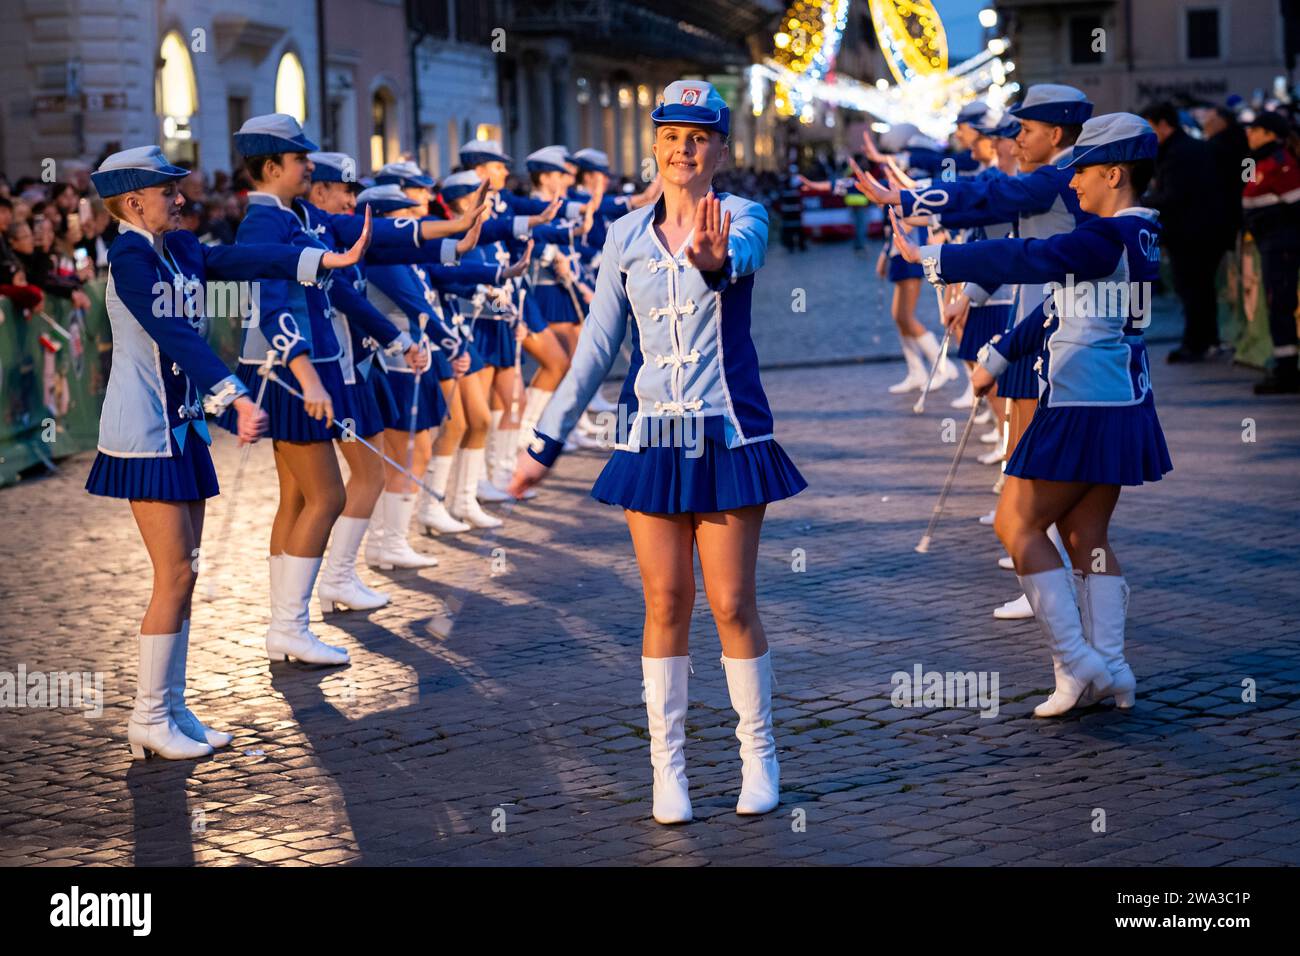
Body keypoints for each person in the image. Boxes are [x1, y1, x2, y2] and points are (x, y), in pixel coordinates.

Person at [511, 81, 807, 824]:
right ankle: (667, 769)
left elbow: (737, 260)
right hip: (652, 437)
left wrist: (711, 262)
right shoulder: (622, 235)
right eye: (672, 134)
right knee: (665, 600)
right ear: (654, 144)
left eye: (700, 136)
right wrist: (544, 440)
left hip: (728, 431)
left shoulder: (743, 215)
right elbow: (598, 352)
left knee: (733, 602)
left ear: (722, 149)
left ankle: (757, 755)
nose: (684, 148)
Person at [83, 145, 369, 759]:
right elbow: (176, 336)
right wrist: (234, 395)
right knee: (175, 573)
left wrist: (320, 259)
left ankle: (173, 709)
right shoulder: (129, 259)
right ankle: (148, 717)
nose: (181, 199)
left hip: (182, 426)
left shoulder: (179, 246)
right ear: (133, 202)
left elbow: (237, 258)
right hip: (145, 432)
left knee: (188, 569)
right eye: (167, 192)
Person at [894, 112, 1172, 716]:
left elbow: (1031, 258)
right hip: (1121, 402)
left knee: (1015, 527)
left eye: (1083, 173)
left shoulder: (1104, 237)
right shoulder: (1138, 235)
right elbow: (1058, 303)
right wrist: (998, 353)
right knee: (1086, 536)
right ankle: (1114, 667)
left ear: (1115, 174)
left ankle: (1078, 662)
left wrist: (936, 259)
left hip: (1080, 405)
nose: (1072, 184)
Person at [221, 114, 484, 664]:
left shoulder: (300, 215)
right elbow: (271, 308)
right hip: (293, 373)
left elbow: (383, 238)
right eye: (299, 160)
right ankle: (290, 624)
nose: (309, 166)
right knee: (326, 495)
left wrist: (451, 228)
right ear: (272, 167)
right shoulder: (263, 224)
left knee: (299, 497)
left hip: (307, 368)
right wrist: (309, 376)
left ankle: (286, 622)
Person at [1140, 101, 1229, 363]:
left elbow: (1173, 196)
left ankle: (1195, 342)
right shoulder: (1188, 147)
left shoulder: (1178, 153)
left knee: (1192, 289)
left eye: (1150, 127)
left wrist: (1139, 201)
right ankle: (1207, 339)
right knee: (1201, 289)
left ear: (1164, 125)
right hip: (1203, 230)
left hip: (1191, 234)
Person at [1241, 110, 1300, 394]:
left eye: (1255, 129)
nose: (1249, 134)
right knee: (1276, 305)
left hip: (1282, 246)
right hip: (1272, 245)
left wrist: (1273, 227)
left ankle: (1288, 372)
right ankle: (1284, 366)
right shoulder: (1257, 161)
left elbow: (1295, 204)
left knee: (1281, 305)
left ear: (1269, 134)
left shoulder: (1282, 163)